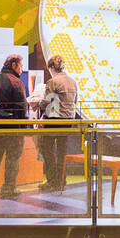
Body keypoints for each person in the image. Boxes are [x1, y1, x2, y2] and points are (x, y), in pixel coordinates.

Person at [0, 54, 27, 198]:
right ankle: (8, 188)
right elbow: (22, 109)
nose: (22, 69)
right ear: (14, 65)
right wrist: (22, 129)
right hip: (13, 128)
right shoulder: (16, 82)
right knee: (12, 158)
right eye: (21, 66)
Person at [37, 55, 78, 192]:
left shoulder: (53, 81)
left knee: (47, 149)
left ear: (52, 68)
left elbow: (48, 103)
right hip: (69, 120)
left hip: (54, 120)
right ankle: (61, 180)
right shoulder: (72, 82)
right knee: (62, 151)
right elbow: (75, 101)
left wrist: (38, 105)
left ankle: (52, 180)